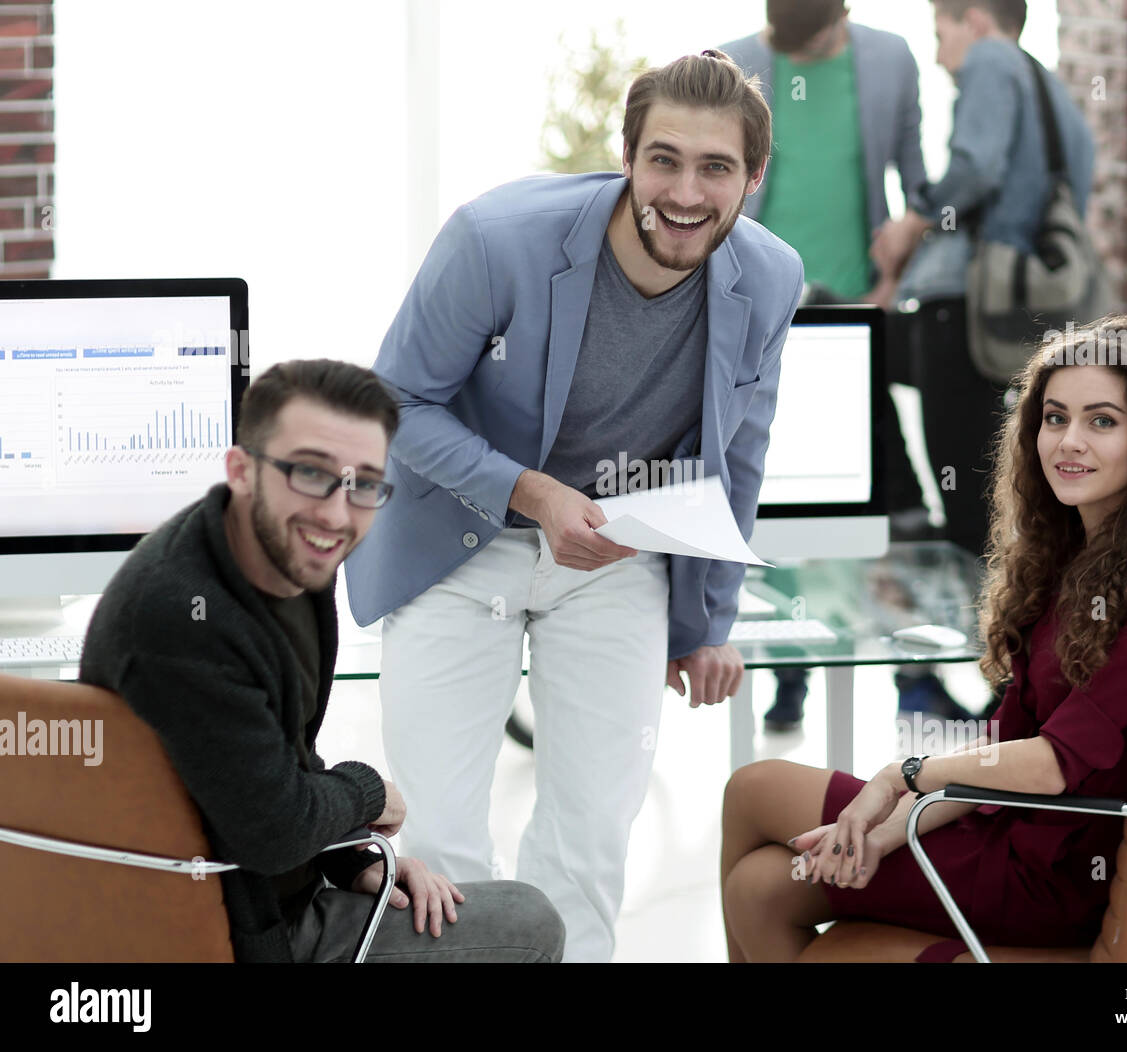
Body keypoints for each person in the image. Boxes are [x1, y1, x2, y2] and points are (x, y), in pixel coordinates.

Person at [343, 51, 805, 962]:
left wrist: (706, 619)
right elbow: (392, 405)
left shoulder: (772, 277)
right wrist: (533, 490)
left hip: (617, 558)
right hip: (461, 538)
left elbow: (738, 454)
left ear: (752, 178)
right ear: (627, 157)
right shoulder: (497, 238)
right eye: (664, 159)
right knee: (438, 835)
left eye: (716, 168)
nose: (685, 191)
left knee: (592, 831)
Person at [720, 317, 1127, 961]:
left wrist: (907, 776)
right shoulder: (1081, 555)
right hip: (1008, 825)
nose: (1069, 441)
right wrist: (893, 830)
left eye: (1102, 421)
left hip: (1045, 876)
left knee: (759, 866)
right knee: (758, 831)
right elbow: (1008, 740)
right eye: (1055, 417)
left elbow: (1055, 763)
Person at [79, 360, 565, 963]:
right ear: (241, 471)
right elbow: (275, 832)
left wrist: (357, 858)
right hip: (233, 925)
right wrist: (365, 793)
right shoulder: (184, 617)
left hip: (271, 884)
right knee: (529, 924)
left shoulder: (282, 556)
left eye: (362, 483)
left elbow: (272, 758)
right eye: (308, 474)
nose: (337, 514)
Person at [721, 0, 945, 731]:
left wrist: (891, 286)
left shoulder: (888, 60)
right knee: (772, 500)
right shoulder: (731, 63)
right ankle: (790, 670)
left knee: (893, 500)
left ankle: (914, 673)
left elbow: (918, 188)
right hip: (762, 317)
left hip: (857, 312)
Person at [872, 0, 1096, 562]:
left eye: (939, 33)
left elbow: (975, 167)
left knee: (968, 521)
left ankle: (909, 518)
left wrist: (911, 223)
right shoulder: (1051, 90)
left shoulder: (991, 59)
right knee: (985, 498)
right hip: (1012, 312)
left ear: (973, 19)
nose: (938, 55)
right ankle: (913, 517)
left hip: (962, 310)